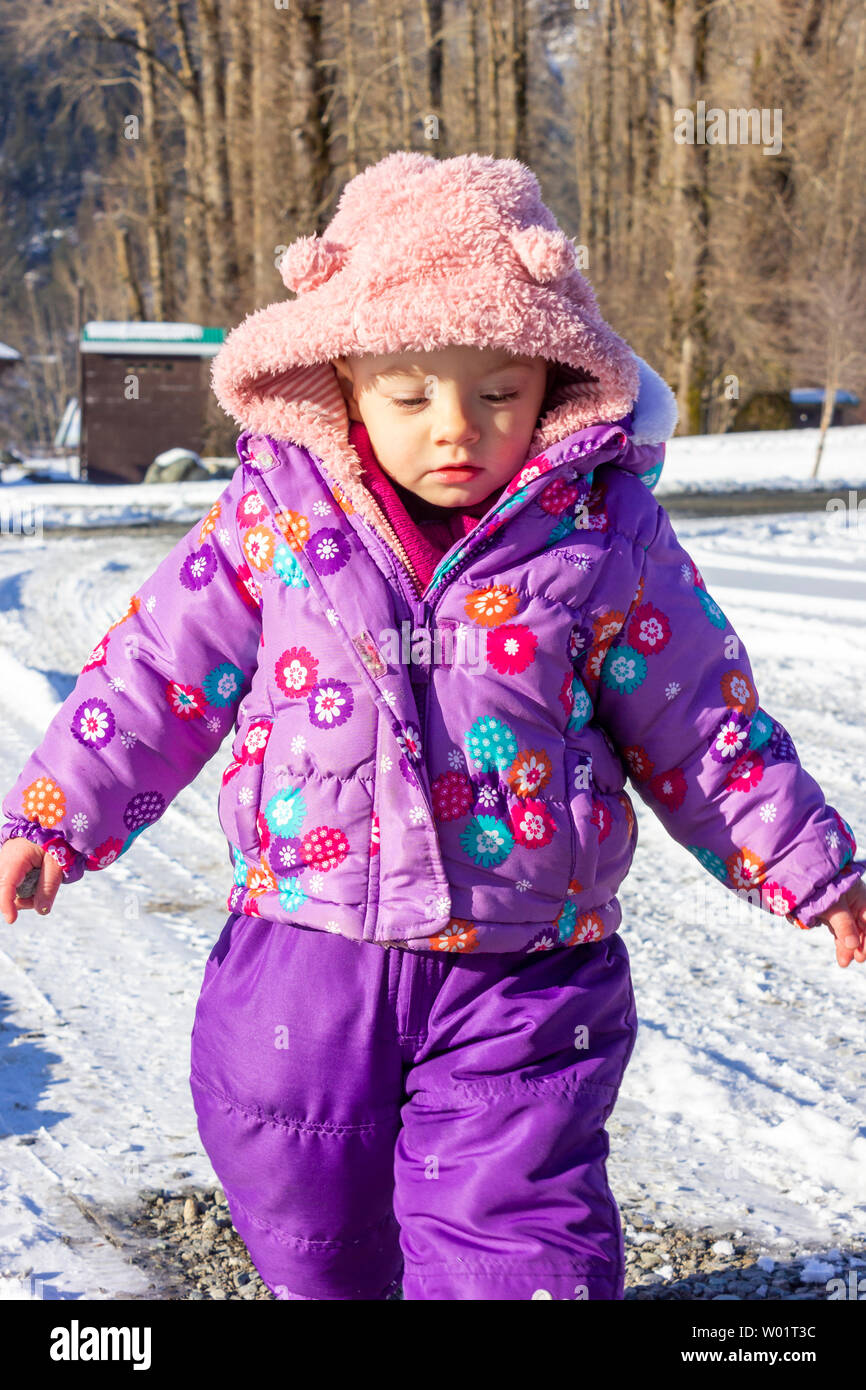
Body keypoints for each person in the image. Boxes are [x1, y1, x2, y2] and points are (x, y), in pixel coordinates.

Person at [1, 150, 864, 1303]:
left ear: (553, 381)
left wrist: (807, 863)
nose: (455, 427)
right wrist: (53, 817)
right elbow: (158, 673)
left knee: (518, 1237)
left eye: (497, 392)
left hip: (526, 971)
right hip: (306, 955)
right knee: (302, 1203)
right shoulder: (277, 517)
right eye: (409, 395)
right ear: (341, 377)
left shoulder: (599, 532)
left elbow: (699, 718)